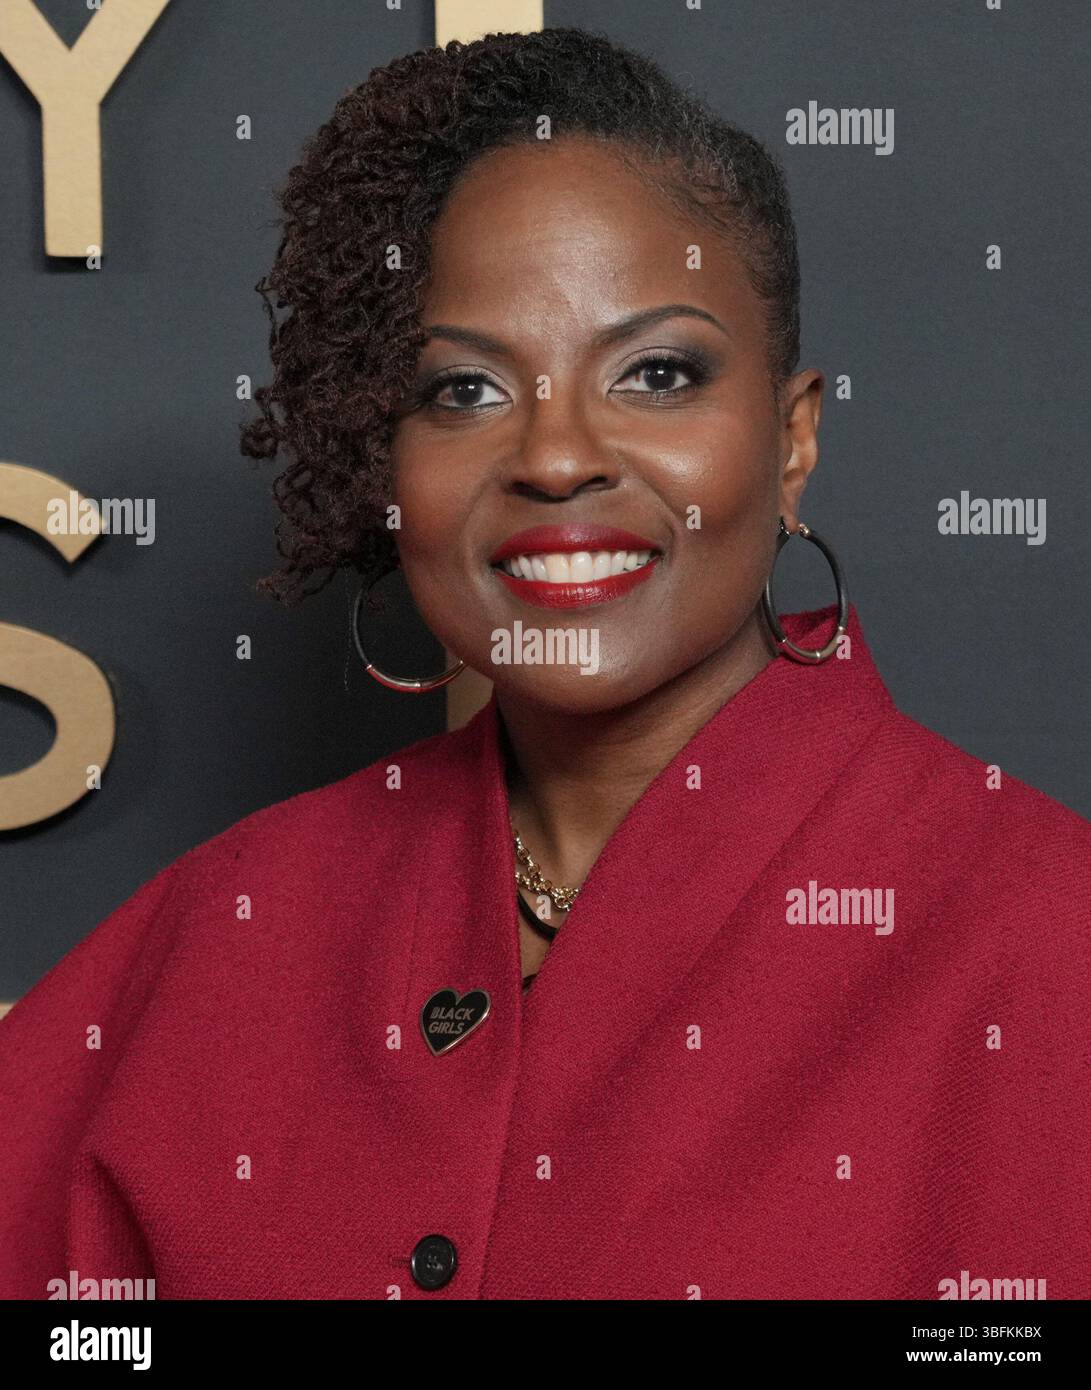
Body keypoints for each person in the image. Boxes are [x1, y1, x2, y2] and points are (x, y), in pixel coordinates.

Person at [1, 27, 1087, 1302]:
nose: (555, 457)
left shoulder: (1038, 942)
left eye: (656, 372)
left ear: (790, 442)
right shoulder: (217, 934)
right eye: (461, 392)